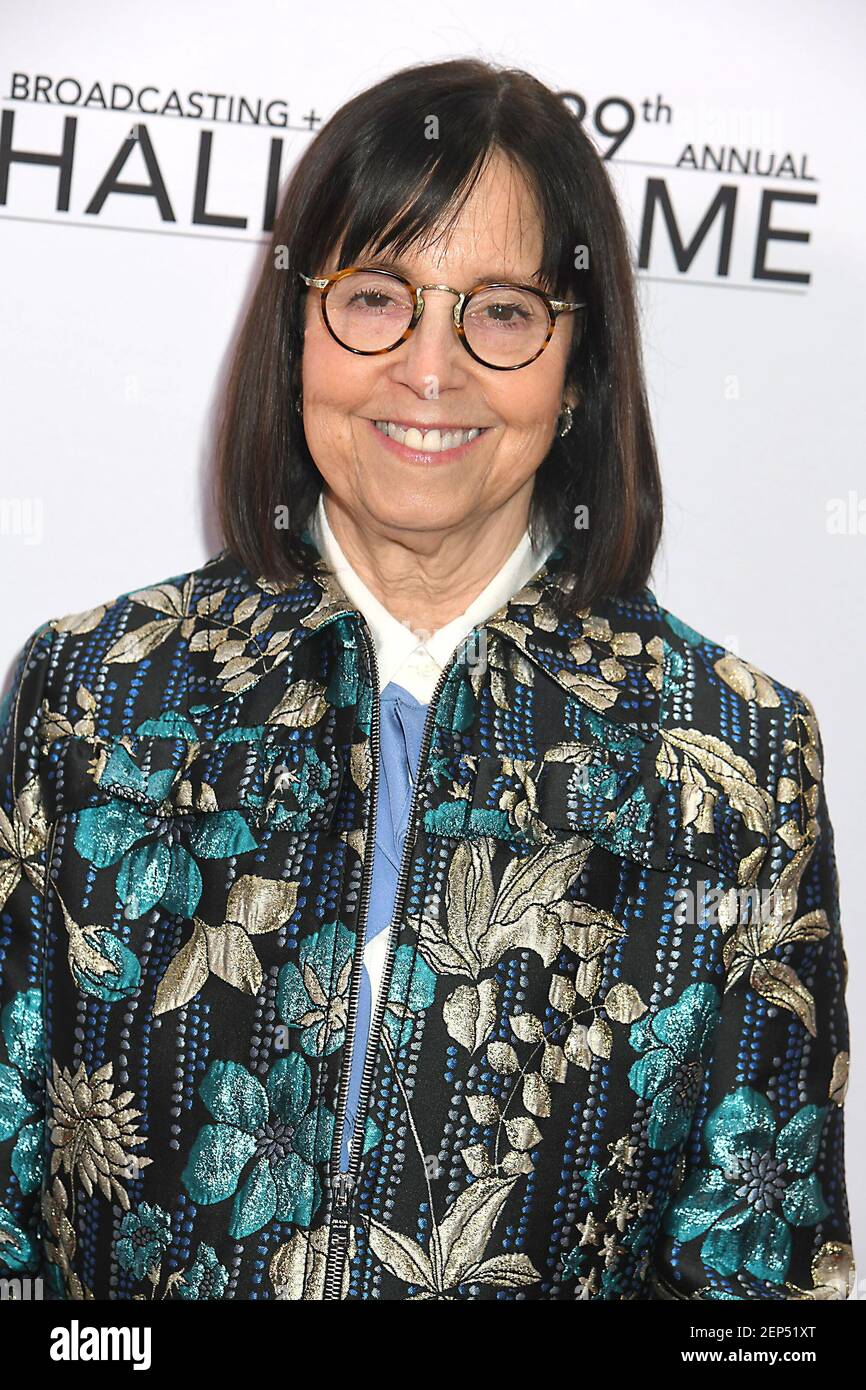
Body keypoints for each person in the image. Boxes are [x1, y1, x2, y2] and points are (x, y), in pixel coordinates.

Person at [0, 57, 853, 1302]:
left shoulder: (733, 762)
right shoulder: (93, 696)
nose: (430, 368)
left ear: (578, 373)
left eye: (500, 310)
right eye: (377, 296)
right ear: (298, 326)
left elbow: (758, 1291)